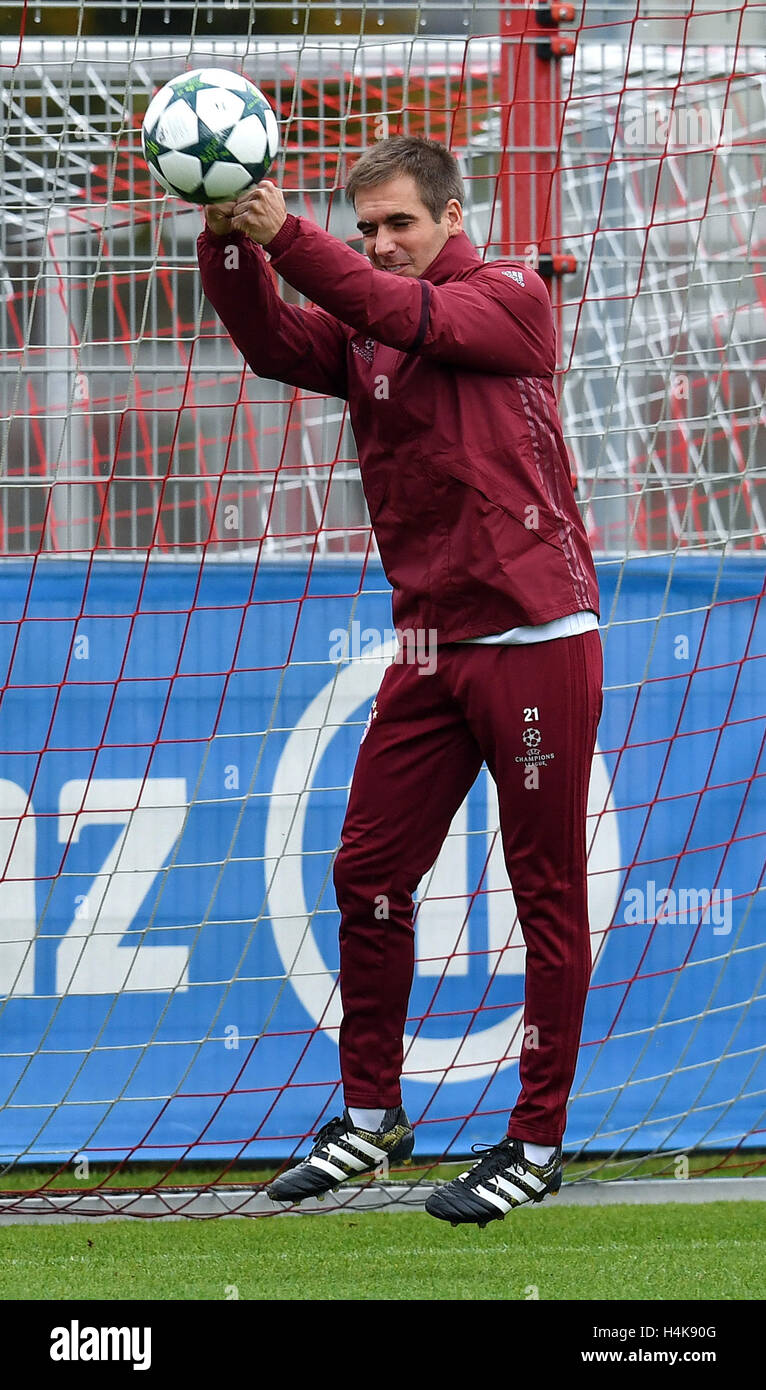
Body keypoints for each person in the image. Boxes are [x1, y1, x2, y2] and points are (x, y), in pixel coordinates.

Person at [197, 135, 602, 1227]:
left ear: (450, 218)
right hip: (430, 646)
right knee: (367, 868)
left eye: (397, 225)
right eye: (365, 227)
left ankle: (537, 1138)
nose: (380, 242)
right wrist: (226, 234)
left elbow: (393, 311)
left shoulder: (508, 295)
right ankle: (372, 1116)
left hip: (534, 639)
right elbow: (274, 339)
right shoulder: (371, 325)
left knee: (545, 892)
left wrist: (286, 232)